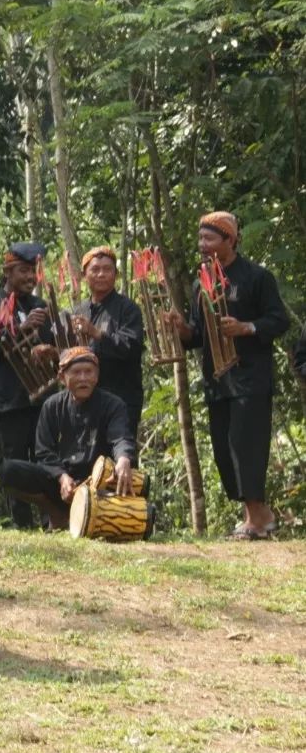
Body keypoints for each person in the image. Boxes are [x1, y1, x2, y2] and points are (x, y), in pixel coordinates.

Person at [168, 211, 289, 540]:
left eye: (209, 239)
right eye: (200, 238)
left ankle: (256, 519)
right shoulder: (200, 283)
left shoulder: (256, 277)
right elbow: (197, 337)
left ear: (230, 240)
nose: (202, 245)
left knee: (245, 445)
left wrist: (246, 328)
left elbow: (279, 321)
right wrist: (181, 328)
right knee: (224, 449)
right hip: (217, 380)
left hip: (250, 378)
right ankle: (258, 516)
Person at [0, 347, 136, 530]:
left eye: (88, 372)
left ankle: (92, 514)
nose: (83, 378)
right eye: (76, 372)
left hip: (99, 484)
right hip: (62, 484)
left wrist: (124, 458)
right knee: (7, 471)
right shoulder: (52, 406)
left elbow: (121, 438)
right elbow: (44, 452)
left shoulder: (113, 405)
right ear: (62, 377)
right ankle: (57, 512)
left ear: (97, 375)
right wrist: (62, 477)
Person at [0, 241, 55, 529]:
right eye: (23, 271)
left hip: (42, 399)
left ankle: (50, 521)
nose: (30, 277)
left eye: (33, 272)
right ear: (7, 271)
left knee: (45, 462)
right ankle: (22, 525)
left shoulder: (40, 306)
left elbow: (52, 345)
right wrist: (22, 328)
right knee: (12, 464)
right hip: (8, 402)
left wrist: (48, 350)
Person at [71, 245, 145, 439]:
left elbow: (131, 346)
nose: (101, 274)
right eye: (95, 269)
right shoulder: (78, 311)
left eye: (107, 269)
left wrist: (96, 333)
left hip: (121, 399)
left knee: (121, 458)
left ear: (116, 274)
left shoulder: (128, 308)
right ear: (84, 275)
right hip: (85, 400)